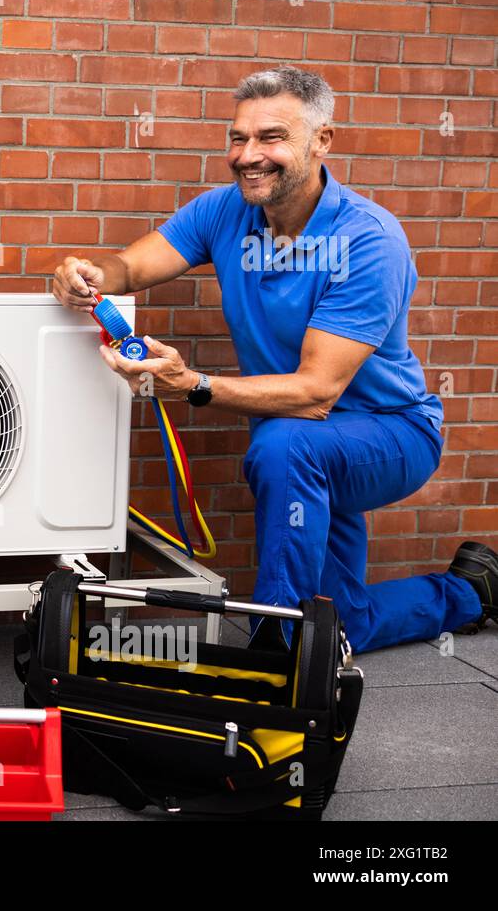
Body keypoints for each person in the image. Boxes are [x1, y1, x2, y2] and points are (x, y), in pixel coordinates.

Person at [53, 64, 497, 653]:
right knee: (339, 622)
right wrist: (84, 273)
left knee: (285, 445)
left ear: (322, 141)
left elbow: (316, 394)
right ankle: (471, 594)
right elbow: (130, 268)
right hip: (305, 444)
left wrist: (191, 383)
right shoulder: (223, 213)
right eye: (238, 137)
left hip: (391, 435)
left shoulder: (368, 240)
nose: (247, 155)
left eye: (272, 137)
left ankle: (275, 651)